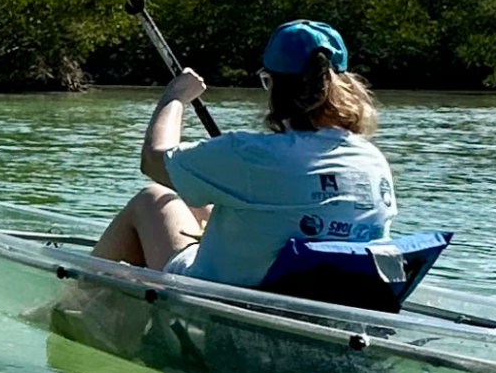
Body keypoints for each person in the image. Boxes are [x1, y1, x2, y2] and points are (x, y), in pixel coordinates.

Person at [92, 19, 394, 286]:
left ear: (273, 85)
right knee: (200, 206)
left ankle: (71, 305)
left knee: (154, 198)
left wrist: (175, 97)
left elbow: (154, 158)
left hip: (216, 300)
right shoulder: (373, 159)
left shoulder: (252, 154)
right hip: (326, 293)